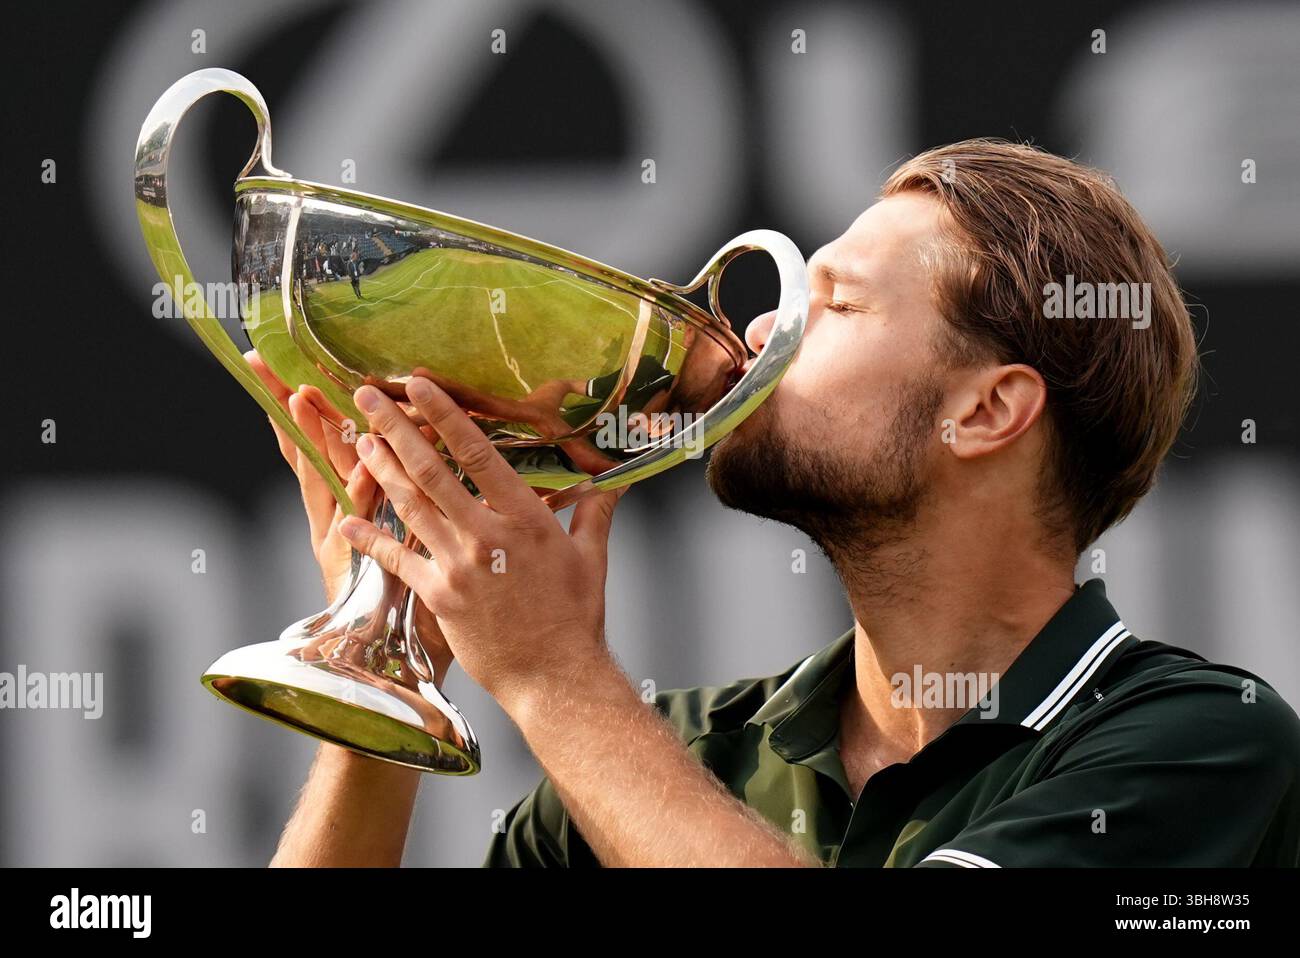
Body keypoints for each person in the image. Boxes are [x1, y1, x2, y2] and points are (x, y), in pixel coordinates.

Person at [261, 139, 1300, 867]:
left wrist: (551, 674)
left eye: (834, 305)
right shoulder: (683, 752)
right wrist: (385, 658)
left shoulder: (1202, 746)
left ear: (987, 410)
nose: (760, 337)